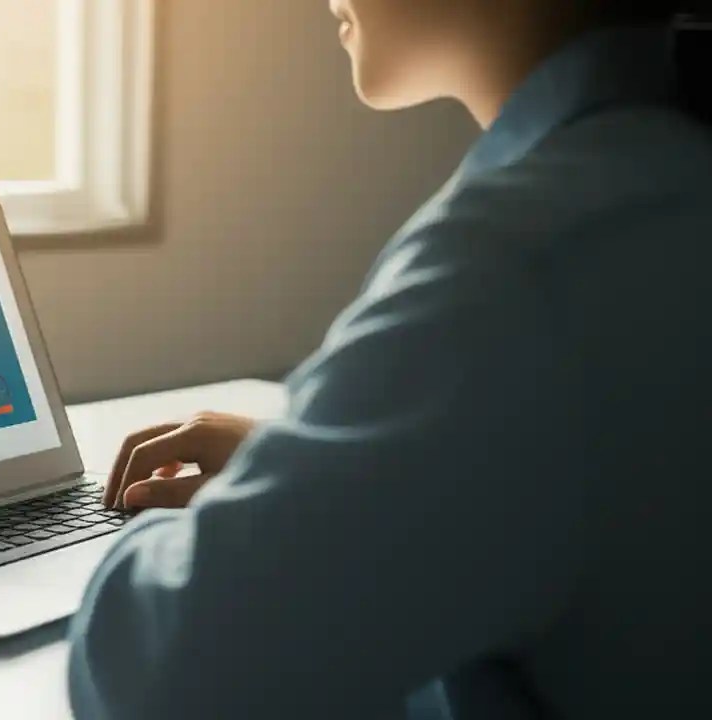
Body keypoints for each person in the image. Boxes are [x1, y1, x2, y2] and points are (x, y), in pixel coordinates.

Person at [66, 1, 712, 718]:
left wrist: (230, 519)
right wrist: (311, 472)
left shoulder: (518, 265)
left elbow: (166, 680)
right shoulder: (665, 183)